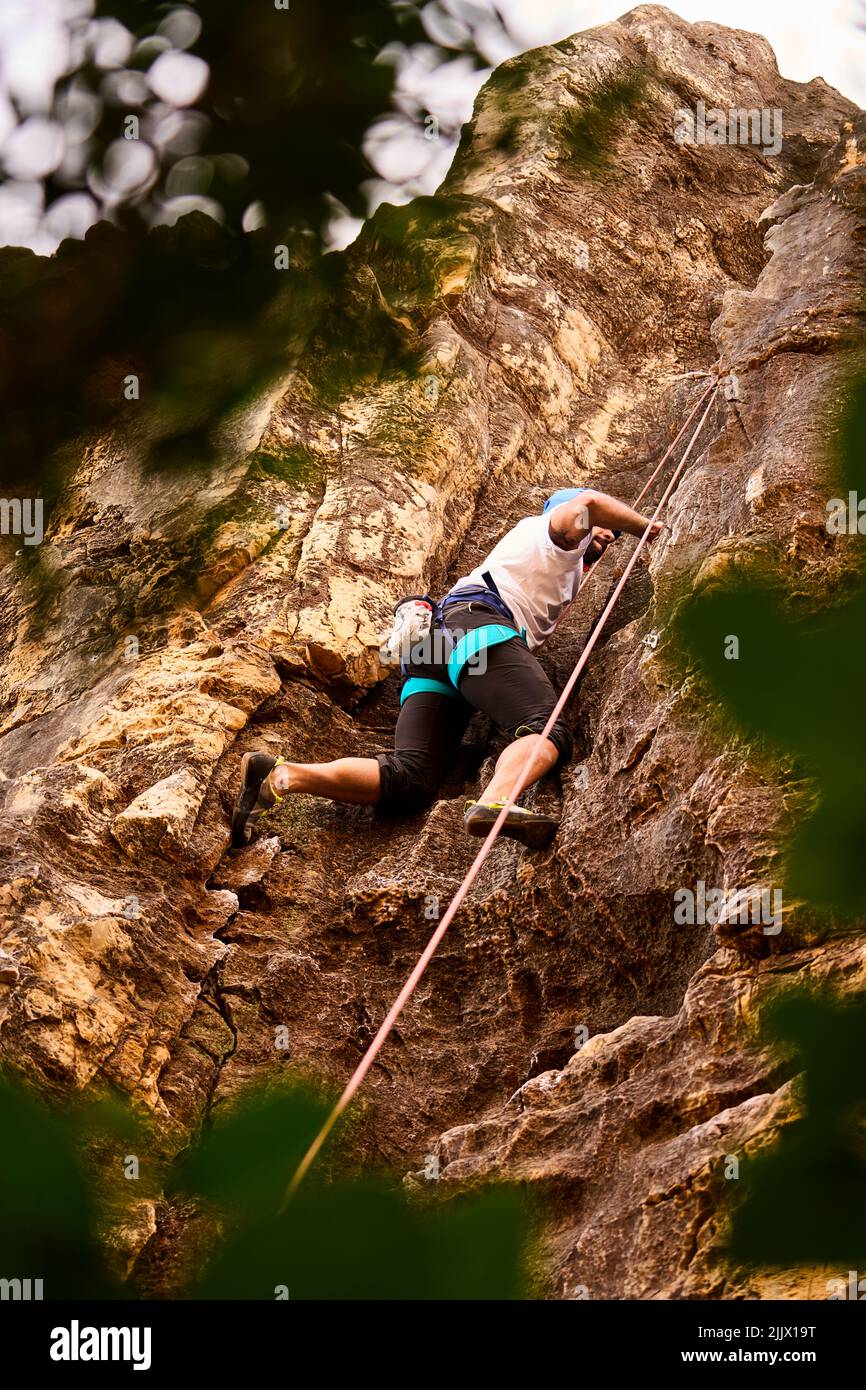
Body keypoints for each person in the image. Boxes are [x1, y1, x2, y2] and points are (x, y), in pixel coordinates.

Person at [231, 487, 663, 851]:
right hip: (475, 627)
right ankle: (496, 801)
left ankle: (282, 775)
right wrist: (646, 527)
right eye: (606, 530)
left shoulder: (552, 561)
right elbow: (587, 503)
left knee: (412, 778)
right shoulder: (554, 533)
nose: (608, 534)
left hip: (436, 648)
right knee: (545, 727)